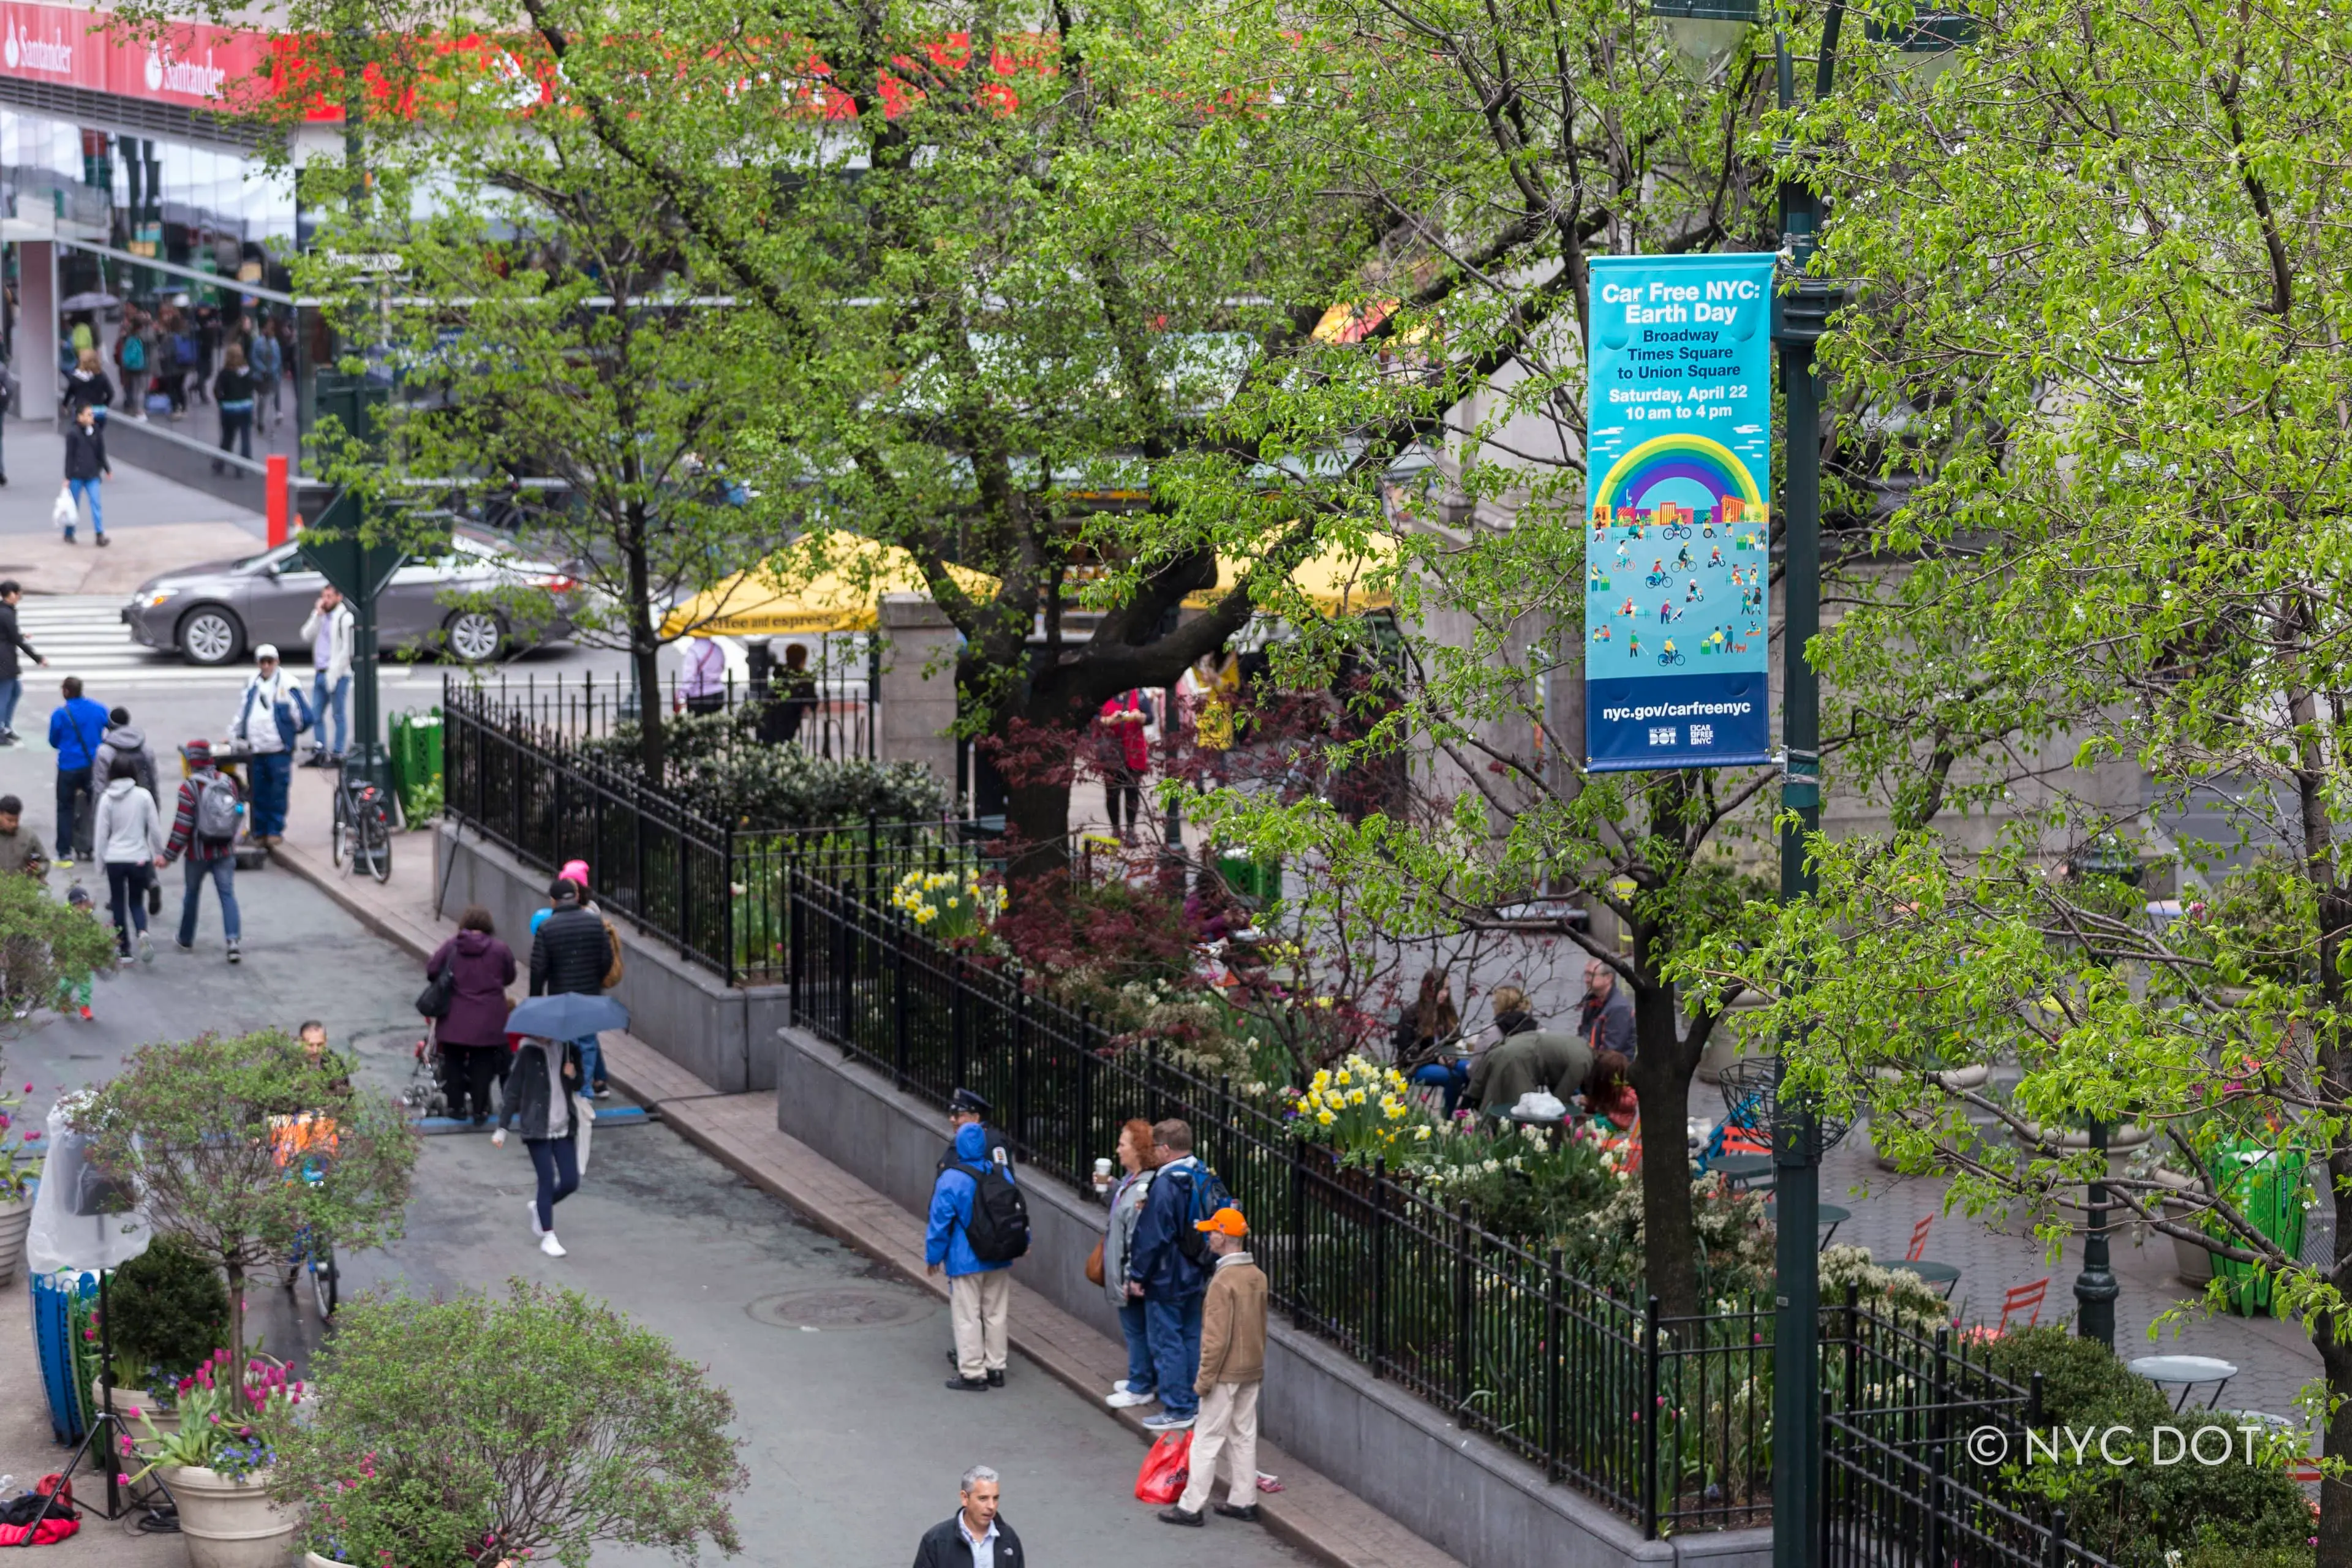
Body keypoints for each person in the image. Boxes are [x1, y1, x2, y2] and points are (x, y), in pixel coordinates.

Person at [1160, 1205, 1268, 1528]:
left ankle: (1191, 1507)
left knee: (1207, 1437)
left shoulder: (1223, 1282)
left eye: (1212, 1232)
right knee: (1244, 1434)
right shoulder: (1257, 1276)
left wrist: (1203, 1380)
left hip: (1224, 1371)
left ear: (1223, 1237)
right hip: (1252, 1368)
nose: (1208, 1237)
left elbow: (1215, 1340)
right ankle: (1243, 1499)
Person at [1126, 1118, 1211, 1431]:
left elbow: (1154, 1235)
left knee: (1167, 1340)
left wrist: (1138, 1274)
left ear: (1164, 1149)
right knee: (1190, 1337)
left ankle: (1177, 1407)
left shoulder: (1166, 1183)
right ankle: (1192, 1400)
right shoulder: (1201, 1173)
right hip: (1194, 1270)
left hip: (1166, 1275)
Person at [926, 1119, 1016, 1391]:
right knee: (995, 1313)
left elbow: (939, 1223)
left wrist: (933, 1257)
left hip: (965, 1258)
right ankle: (996, 1367)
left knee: (967, 1315)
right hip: (999, 1254)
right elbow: (1015, 1212)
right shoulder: (1001, 1174)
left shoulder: (951, 1179)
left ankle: (973, 1372)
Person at [492, 1033, 584, 1258]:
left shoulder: (569, 1050)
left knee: (571, 1181)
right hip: (537, 1127)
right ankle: (548, 1235)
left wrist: (573, 1076)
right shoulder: (527, 1054)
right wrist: (502, 1127)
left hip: (563, 1126)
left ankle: (540, 1207)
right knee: (547, 1179)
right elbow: (512, 1092)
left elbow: (580, 1083)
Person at [527, 876, 617, 1099]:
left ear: (553, 901)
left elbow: (539, 969)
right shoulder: (595, 923)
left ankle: (568, 1088)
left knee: (566, 1043)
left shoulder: (547, 928)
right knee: (587, 1042)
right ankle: (584, 1090)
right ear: (576, 897)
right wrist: (594, 978)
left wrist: (535, 1000)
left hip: (561, 994)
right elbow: (607, 958)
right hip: (589, 993)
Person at [426, 906, 517, 1125]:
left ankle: (456, 1107)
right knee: (483, 1062)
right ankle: (479, 1109)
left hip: (455, 1016)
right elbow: (510, 976)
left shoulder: (452, 946)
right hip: (490, 1017)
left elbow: (432, 970)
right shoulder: (500, 949)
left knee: (454, 1061)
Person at [159, 739, 243, 963]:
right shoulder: (228, 782)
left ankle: (186, 939)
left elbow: (182, 826)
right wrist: (233, 838)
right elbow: (238, 811)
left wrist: (168, 856)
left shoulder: (189, 788)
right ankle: (233, 941)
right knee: (227, 895)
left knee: (192, 895)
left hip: (198, 853)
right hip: (225, 850)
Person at [1098, 1118, 1159, 1410]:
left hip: (1130, 1275)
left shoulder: (1140, 1191)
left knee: (1136, 1329)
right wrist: (1111, 1187)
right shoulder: (1132, 1183)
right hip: (1130, 1272)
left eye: (1123, 1144)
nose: (1118, 1150)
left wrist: (1127, 1276)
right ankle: (1143, 1378)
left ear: (1137, 1150)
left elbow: (1136, 1238)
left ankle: (1140, 1385)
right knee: (1138, 1328)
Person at [1464, 988, 1593, 1117]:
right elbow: (1558, 1095)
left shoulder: (1489, 1031)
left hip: (1495, 1081)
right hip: (1528, 1081)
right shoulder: (1539, 1029)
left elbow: (1475, 1069)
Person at [229, 645, 307, 845]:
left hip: (278, 750)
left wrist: (288, 735)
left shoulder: (289, 684)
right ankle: (260, 831)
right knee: (258, 792)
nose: (266, 666)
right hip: (256, 749)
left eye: (269, 661)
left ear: (277, 661)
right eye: (262, 662)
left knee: (278, 792)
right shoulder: (252, 684)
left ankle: (274, 830)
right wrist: (233, 734)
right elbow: (243, 712)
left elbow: (304, 716)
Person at [91, 758, 162, 964]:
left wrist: (99, 863)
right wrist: (160, 853)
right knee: (136, 901)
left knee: (118, 902)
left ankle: (124, 950)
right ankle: (142, 931)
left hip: (115, 858)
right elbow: (155, 829)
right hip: (139, 857)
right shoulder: (143, 796)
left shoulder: (107, 798)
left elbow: (101, 834)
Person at [911, 1466, 1026, 1568]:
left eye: (995, 1498)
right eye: (983, 1498)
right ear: (965, 1498)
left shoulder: (1009, 1539)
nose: (991, 1506)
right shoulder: (936, 1541)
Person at [48, 676, 108, 865]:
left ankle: (64, 852)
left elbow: (53, 741)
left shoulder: (60, 714)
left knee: (65, 808)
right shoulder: (98, 708)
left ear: (66, 691)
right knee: (96, 806)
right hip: (93, 765)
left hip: (68, 766)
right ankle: (95, 846)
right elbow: (112, 727)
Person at [1395, 969, 1466, 1115]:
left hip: (1445, 1061)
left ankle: (1464, 1115)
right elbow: (1406, 1052)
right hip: (1415, 1067)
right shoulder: (1412, 1014)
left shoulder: (1446, 1013)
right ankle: (1446, 1120)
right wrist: (1435, 1058)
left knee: (1471, 1069)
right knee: (1453, 1078)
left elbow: (1455, 1042)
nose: (1444, 994)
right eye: (1440, 989)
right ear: (1428, 989)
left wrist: (1453, 1055)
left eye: (1447, 989)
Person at [301, 586, 355, 765]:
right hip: (320, 672)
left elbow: (348, 650)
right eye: (324, 596)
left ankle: (338, 752)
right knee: (315, 715)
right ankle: (320, 750)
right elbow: (306, 635)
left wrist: (336, 674)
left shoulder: (345, 618)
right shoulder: (321, 616)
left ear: (339, 598)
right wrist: (317, 615)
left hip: (338, 675)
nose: (326, 600)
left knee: (338, 715)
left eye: (329, 596)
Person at [1097, 690, 1150, 843]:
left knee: (1132, 793)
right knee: (1112, 794)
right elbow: (1093, 719)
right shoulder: (1104, 695)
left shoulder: (1138, 694)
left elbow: (1150, 716)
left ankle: (1131, 830)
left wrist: (1140, 717)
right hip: (1111, 753)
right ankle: (1115, 829)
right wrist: (1109, 720)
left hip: (1134, 753)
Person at [0, 581, 47, 745]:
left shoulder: (6, 611)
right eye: (19, 593)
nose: (20, 597)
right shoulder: (5, 613)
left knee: (15, 691)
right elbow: (14, 639)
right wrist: (38, 658)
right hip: (4, 661)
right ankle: (1, 730)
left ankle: (6, 727)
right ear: (11, 594)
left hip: (6, 659)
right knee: (4, 696)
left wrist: (19, 636)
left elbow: (9, 634)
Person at [62, 403, 110, 546]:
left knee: (96, 503)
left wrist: (107, 468)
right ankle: (69, 532)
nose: (92, 417)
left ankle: (99, 534)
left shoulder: (96, 430)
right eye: (88, 414)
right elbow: (70, 456)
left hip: (92, 474)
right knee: (73, 505)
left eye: (92, 414)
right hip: (77, 475)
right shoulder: (73, 433)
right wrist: (68, 476)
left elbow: (101, 451)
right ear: (80, 417)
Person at [92, 706, 158, 801]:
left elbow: (100, 785)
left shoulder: (104, 751)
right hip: (141, 803)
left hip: (114, 802)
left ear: (110, 725)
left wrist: (98, 809)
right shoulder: (145, 749)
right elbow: (153, 780)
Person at [1578, 958, 1637, 1062]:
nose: (1586, 980)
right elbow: (1583, 1035)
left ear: (1608, 978)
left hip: (1612, 1071)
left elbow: (1610, 1052)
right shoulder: (1591, 1002)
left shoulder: (1618, 1009)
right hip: (1591, 1061)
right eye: (1586, 975)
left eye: (1591, 975)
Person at [211, 344, 256, 473]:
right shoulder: (247, 371)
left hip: (229, 409)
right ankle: (243, 465)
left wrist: (222, 402)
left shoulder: (225, 373)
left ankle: (220, 463)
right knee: (245, 436)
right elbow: (252, 387)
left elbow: (217, 391)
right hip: (245, 407)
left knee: (228, 437)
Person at [57, 883, 98, 1020]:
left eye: (83, 904)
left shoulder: (90, 919)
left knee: (86, 984)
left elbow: (95, 937)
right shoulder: (65, 920)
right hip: (70, 957)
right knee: (67, 983)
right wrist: (60, 957)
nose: (81, 907)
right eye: (77, 904)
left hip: (85, 957)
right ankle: (64, 1000)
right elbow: (59, 940)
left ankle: (85, 1007)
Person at [114, 307, 154, 419]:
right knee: (140, 388)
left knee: (133, 387)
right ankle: (139, 410)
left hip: (130, 365)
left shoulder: (129, 333)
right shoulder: (145, 334)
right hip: (141, 365)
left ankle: (133, 406)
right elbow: (152, 341)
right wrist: (149, 323)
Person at [1583, 1049, 1639, 1129]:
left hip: (1617, 1122)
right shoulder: (1606, 1088)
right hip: (1608, 1115)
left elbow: (1630, 1102)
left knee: (1593, 1123)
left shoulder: (1627, 1093)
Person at [0, 795, 48, 880]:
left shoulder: (28, 836)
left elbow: (44, 861)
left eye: (17, 820)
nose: (14, 824)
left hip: (22, 889)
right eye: (9, 820)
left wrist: (38, 869)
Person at [61, 347, 113, 426]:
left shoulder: (76, 377)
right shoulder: (101, 376)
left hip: (80, 411)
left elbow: (69, 393)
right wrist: (104, 406)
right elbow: (111, 394)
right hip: (98, 411)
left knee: (78, 435)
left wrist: (65, 405)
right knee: (97, 435)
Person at [248, 317, 282, 434]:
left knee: (265, 399)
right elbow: (254, 357)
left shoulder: (275, 343)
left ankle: (261, 422)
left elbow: (277, 360)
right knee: (260, 399)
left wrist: (271, 370)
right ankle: (259, 419)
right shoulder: (258, 342)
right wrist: (263, 369)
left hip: (271, 376)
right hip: (259, 376)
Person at [680, 632, 726, 715]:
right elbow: (722, 667)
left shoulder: (693, 650)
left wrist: (682, 695)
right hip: (718, 692)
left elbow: (689, 676)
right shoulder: (717, 648)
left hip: (699, 694)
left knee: (699, 725)